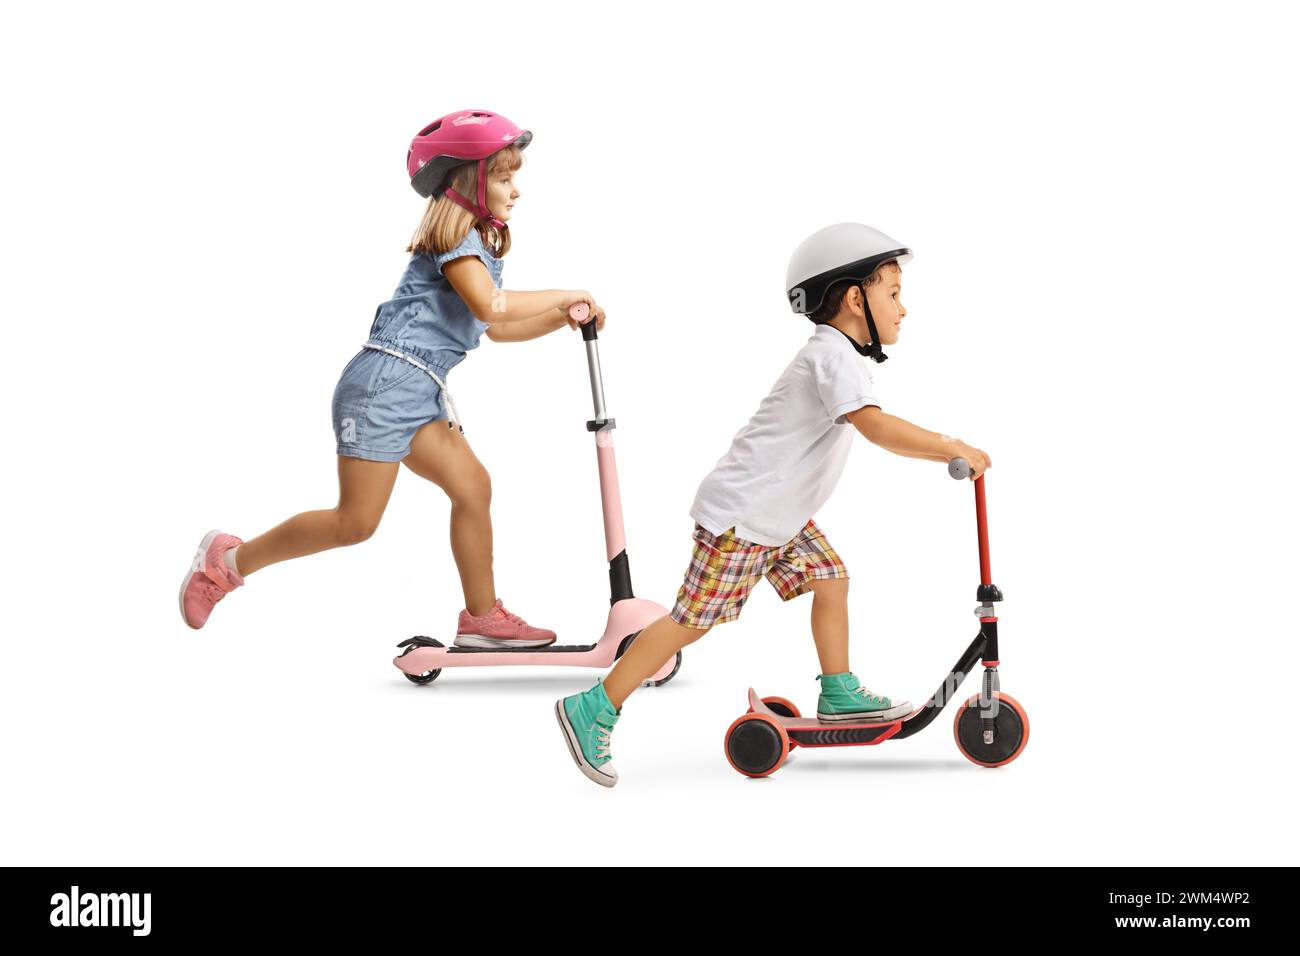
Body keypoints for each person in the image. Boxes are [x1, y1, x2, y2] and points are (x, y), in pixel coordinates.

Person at [555, 223, 991, 787]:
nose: (903, 309)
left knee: (831, 578)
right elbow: (877, 427)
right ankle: (595, 705)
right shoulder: (832, 357)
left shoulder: (839, 357)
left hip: (778, 519)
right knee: (690, 623)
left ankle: (837, 690)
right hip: (745, 518)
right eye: (893, 293)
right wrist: (950, 447)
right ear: (857, 298)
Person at [178, 109, 604, 648]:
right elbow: (491, 307)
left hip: (417, 388)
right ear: (467, 182)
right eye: (502, 176)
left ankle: (481, 618)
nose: (515, 190)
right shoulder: (458, 240)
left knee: (473, 487)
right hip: (382, 387)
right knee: (353, 524)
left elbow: (495, 328)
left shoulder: (480, 250)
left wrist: (560, 319)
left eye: (514, 176)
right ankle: (224, 564)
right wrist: (567, 293)